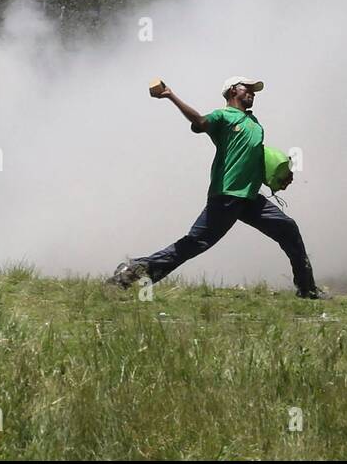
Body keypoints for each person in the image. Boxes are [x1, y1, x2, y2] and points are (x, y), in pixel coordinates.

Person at [107, 77, 323, 298]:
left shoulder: (254, 123)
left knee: (288, 229)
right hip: (227, 196)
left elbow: (253, 157)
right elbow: (200, 123)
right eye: (247, 88)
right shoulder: (223, 117)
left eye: (253, 90)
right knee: (195, 243)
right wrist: (171, 96)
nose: (252, 92)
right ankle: (132, 271)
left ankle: (307, 289)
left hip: (249, 198)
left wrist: (279, 175)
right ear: (232, 91)